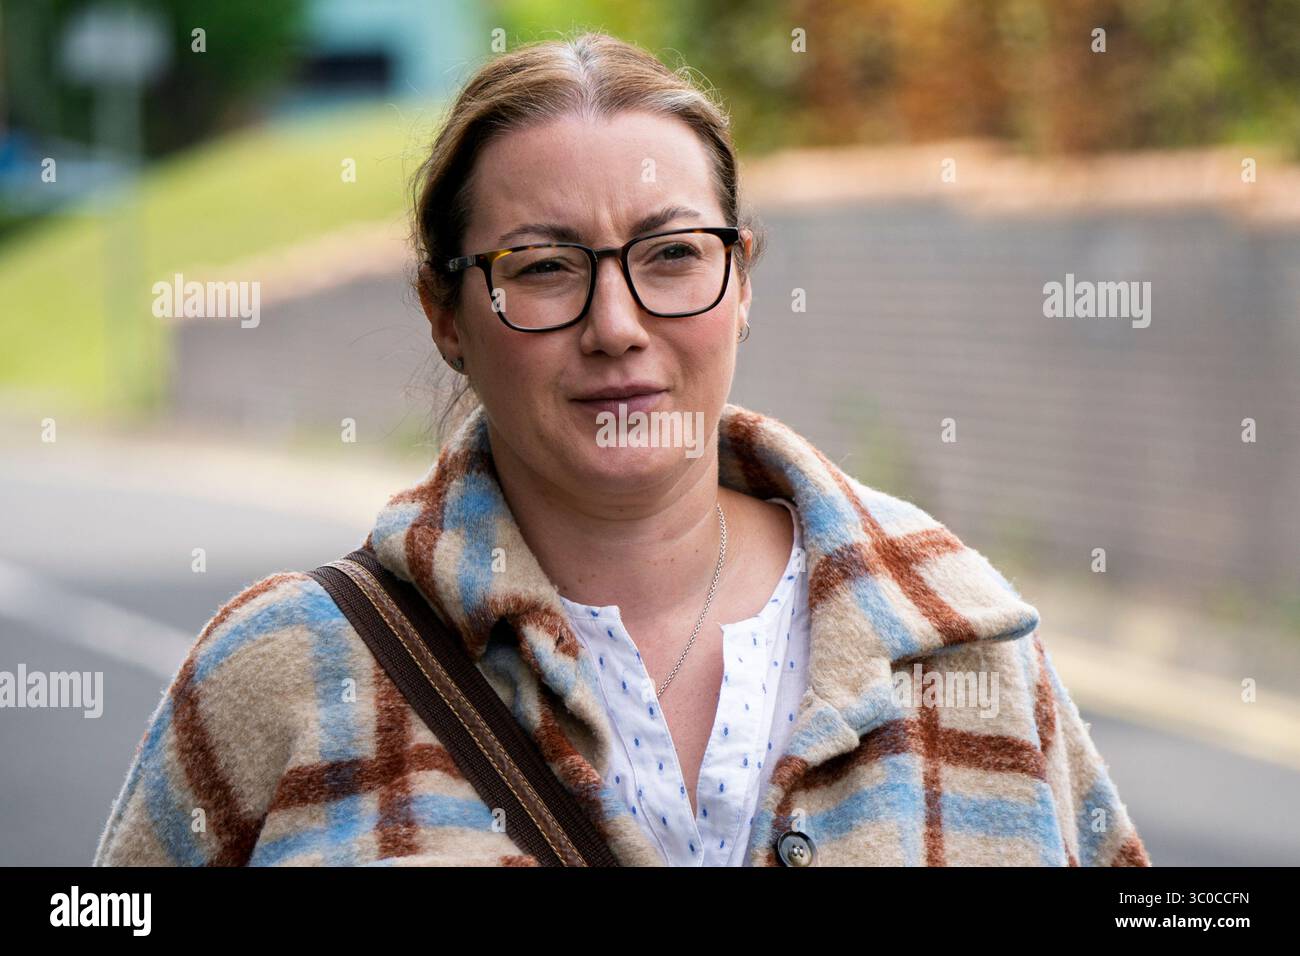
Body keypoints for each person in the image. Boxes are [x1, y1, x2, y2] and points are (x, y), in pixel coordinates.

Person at [93, 31, 1149, 867]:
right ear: (445, 314)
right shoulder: (282, 672)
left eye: (673, 253)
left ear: (740, 284)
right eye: (545, 266)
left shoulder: (960, 642)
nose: (616, 324)